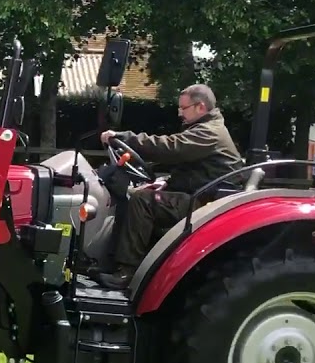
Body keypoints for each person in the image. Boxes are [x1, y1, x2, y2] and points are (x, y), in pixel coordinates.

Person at [92, 84, 243, 290]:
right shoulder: (206, 129)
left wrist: (123, 138)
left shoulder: (209, 132)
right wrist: (166, 182)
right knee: (140, 194)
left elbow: (170, 147)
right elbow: (193, 170)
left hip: (206, 204)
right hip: (200, 195)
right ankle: (111, 263)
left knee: (142, 201)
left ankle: (126, 272)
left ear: (200, 107)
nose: (180, 113)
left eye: (184, 108)